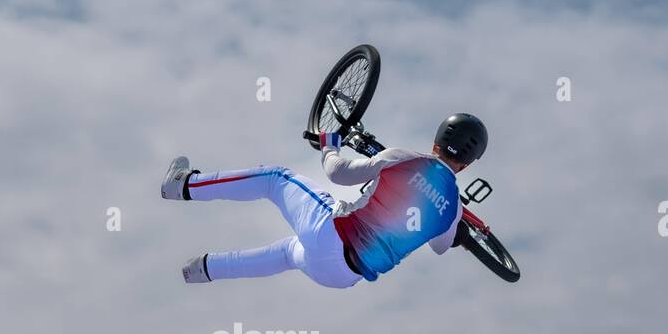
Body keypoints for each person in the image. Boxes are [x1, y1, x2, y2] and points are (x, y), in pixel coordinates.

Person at [166, 112, 486, 287]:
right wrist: (457, 229)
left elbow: (339, 173)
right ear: (469, 164)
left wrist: (328, 146)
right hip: (343, 277)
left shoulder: (405, 158)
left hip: (330, 236)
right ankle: (202, 270)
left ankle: (183, 185)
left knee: (275, 179)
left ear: (436, 140)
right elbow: (442, 246)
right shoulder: (453, 208)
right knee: (287, 253)